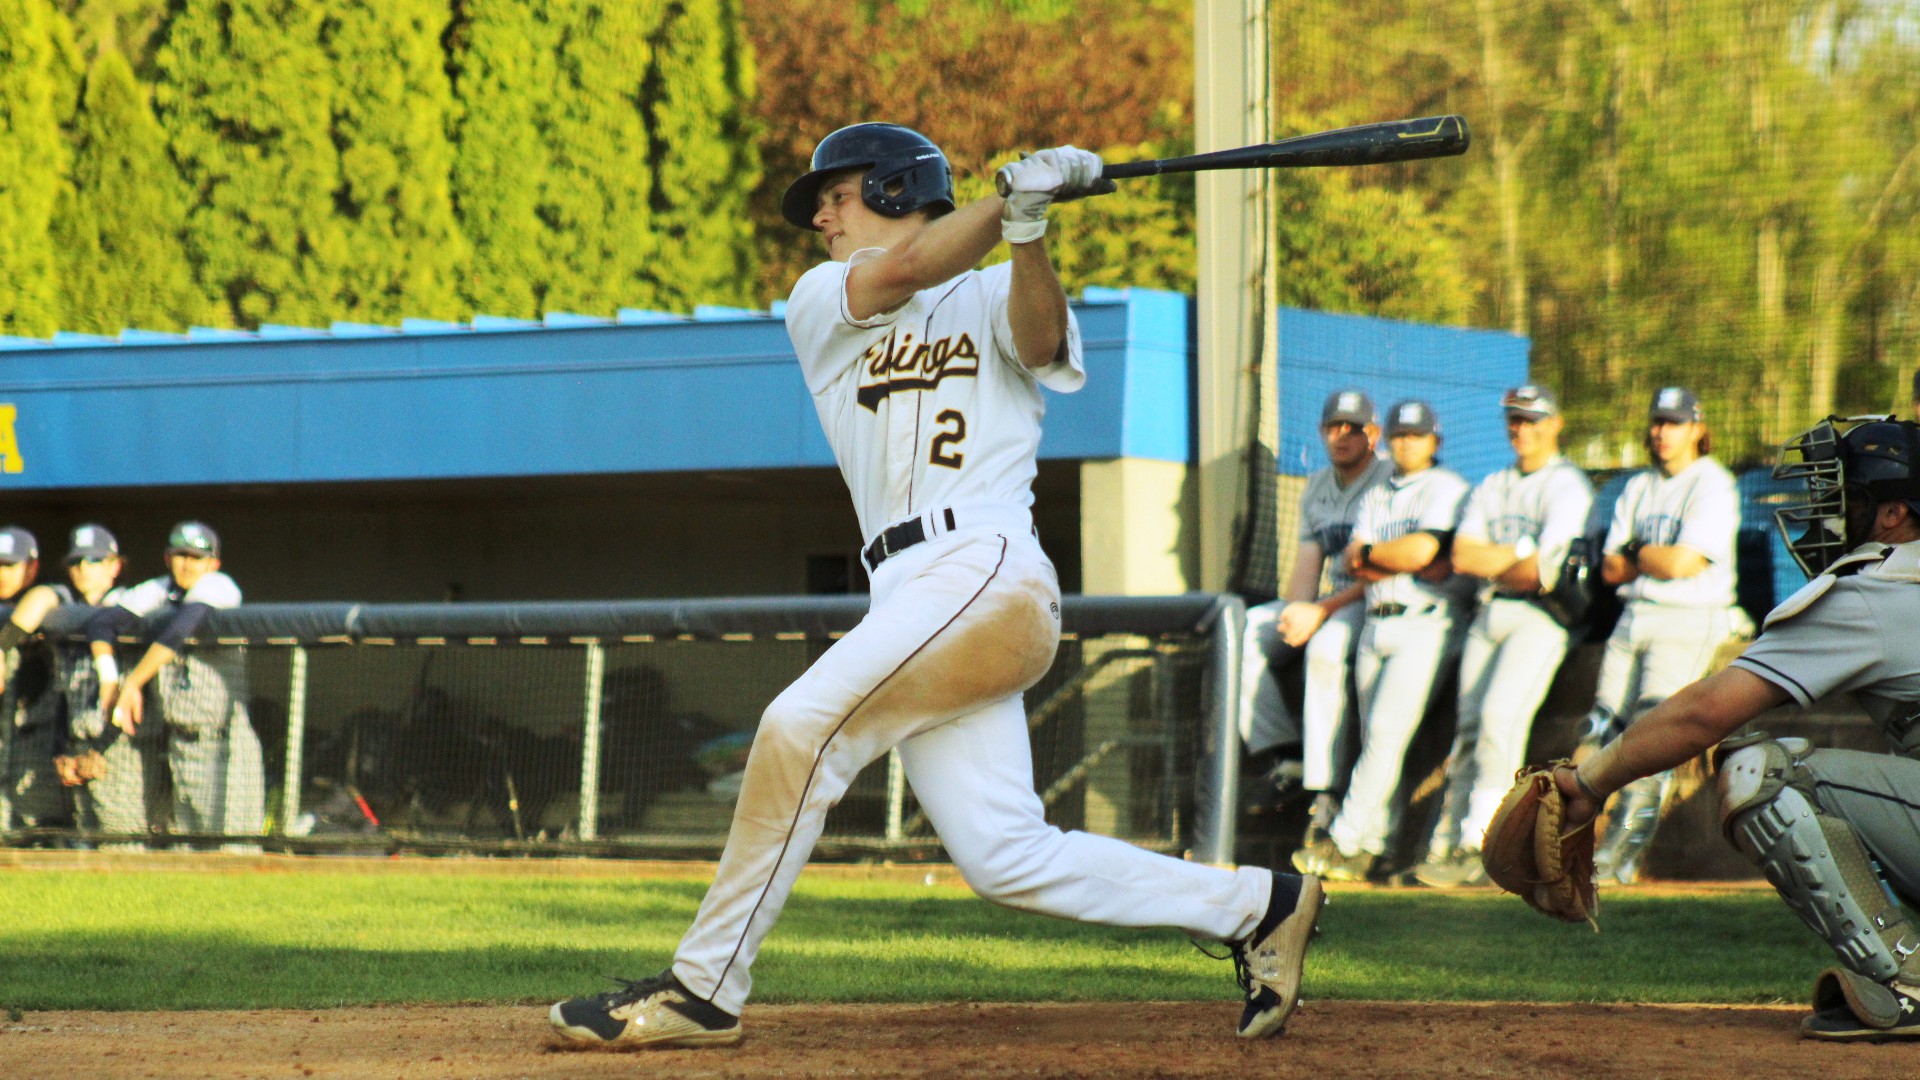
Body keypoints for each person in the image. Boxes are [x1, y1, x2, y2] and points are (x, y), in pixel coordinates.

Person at [549, 122, 1322, 1049]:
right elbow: (906, 270)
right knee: (1006, 857)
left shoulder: (998, 283)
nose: (823, 219)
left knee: (798, 730)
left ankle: (703, 989)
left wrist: (1028, 229)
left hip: (982, 564)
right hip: (910, 591)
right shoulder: (820, 300)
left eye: (836, 196)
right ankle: (1258, 904)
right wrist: (1013, 203)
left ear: (890, 186)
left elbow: (1038, 343)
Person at [1556, 415, 1920, 1041]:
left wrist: (1590, 782)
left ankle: (1908, 983)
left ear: (1891, 514)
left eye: (1845, 498)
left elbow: (1704, 712)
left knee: (1765, 774)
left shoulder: (1877, 589)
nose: (1825, 515)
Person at [1415, 385, 1594, 887]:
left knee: (1499, 719)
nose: (1521, 428)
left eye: (1533, 420)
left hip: (1542, 617)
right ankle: (1449, 841)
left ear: (1555, 424)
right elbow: (1464, 558)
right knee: (1470, 727)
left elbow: (1543, 572)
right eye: (1515, 419)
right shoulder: (1492, 483)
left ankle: (1484, 841)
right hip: (1491, 613)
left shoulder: (1568, 487)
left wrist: (1509, 561)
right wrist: (1513, 558)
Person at [1292, 401, 1470, 881]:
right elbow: (1356, 561)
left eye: (1416, 435)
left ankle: (1344, 841)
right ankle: (1379, 843)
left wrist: (1386, 555)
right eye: (1400, 435)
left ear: (1435, 440)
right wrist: (1388, 557)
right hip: (1377, 620)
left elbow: (1426, 551)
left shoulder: (1446, 488)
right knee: (1377, 740)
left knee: (1386, 736)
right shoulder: (1379, 491)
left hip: (1426, 622)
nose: (1407, 442)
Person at [1583, 389, 1741, 884]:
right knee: (1597, 732)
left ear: (1696, 428)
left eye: (1673, 422)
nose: (1662, 431)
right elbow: (1611, 570)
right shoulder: (1637, 487)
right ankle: (1570, 848)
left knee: (1653, 737)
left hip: (1689, 618)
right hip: (1634, 617)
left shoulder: (1713, 485)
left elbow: (1682, 563)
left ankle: (1620, 856)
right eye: (1657, 421)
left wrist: (1635, 550)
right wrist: (1644, 554)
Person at [1238, 390, 1391, 824]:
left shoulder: (1388, 480)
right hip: (1331, 600)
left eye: (1353, 428)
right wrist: (1295, 611)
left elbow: (1385, 572)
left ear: (1373, 434)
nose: (1342, 436)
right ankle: (1282, 754)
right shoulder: (1317, 485)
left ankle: (1325, 790)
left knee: (1325, 648)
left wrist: (1320, 613)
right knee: (1248, 628)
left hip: (1371, 597)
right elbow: (1307, 567)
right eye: (1333, 427)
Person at [92, 522, 264, 852]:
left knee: (233, 850)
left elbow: (179, 631)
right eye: (181, 555)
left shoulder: (219, 586)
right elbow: (102, 622)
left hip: (225, 740)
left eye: (196, 557)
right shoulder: (160, 588)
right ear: (168, 557)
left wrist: (132, 683)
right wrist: (108, 676)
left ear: (212, 563)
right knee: (191, 847)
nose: (187, 564)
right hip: (181, 744)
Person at [2, 525, 148, 845]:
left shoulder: (131, 603)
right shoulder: (63, 604)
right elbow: (41, 596)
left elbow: (140, 695)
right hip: (77, 745)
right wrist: (62, 752)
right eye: (76, 562)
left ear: (115, 565)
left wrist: (99, 750)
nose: (83, 569)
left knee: (124, 846)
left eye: (94, 560)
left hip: (119, 747)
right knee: (84, 849)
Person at [0, 526, 70, 833]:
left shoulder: (50, 593)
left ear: (32, 567)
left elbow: (42, 599)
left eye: (10, 566)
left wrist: (1, 647)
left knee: (34, 824)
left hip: (34, 733)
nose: (2, 573)